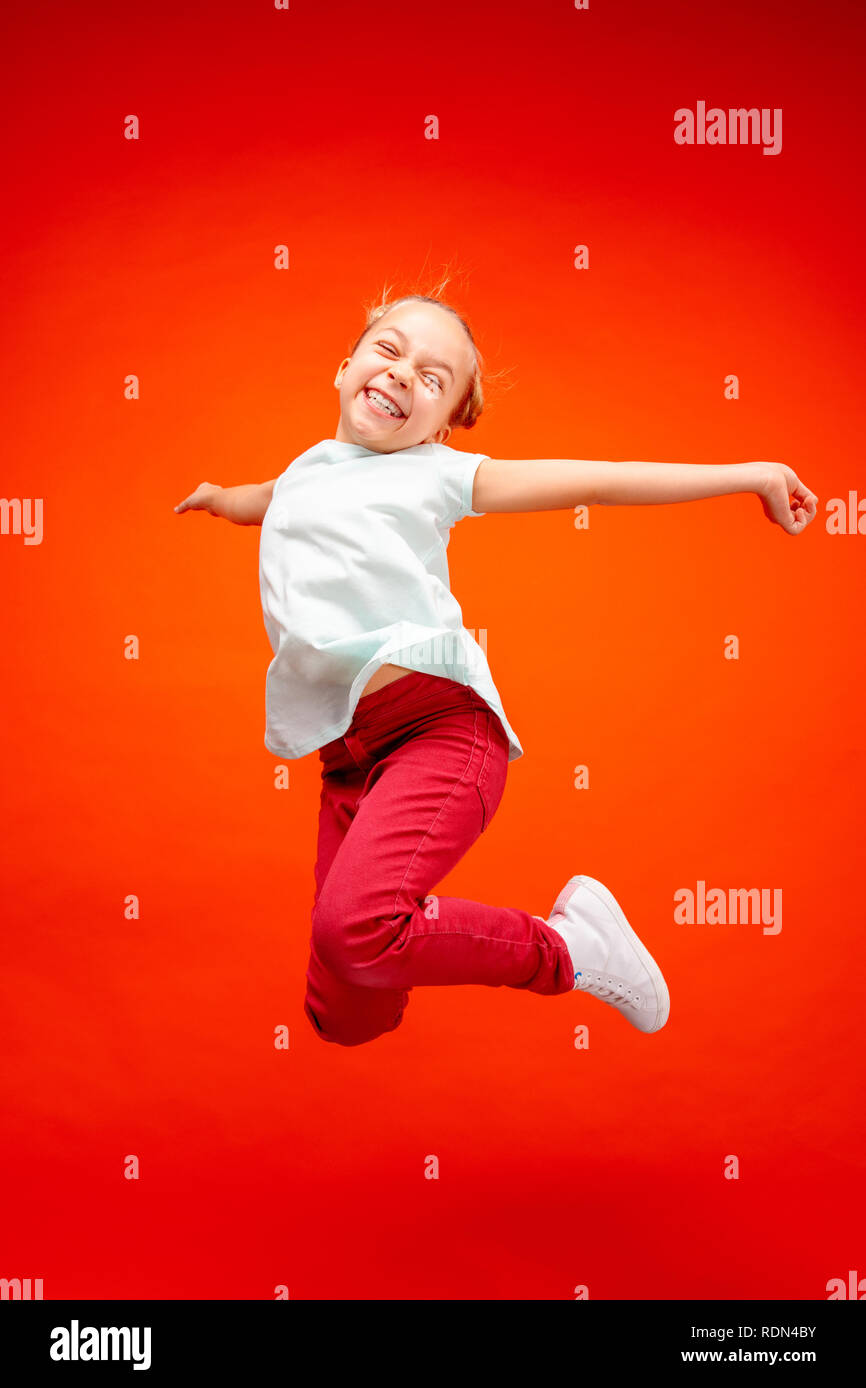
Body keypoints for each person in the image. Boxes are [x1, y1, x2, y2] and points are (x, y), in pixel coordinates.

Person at [174, 286, 818, 1047]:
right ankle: (395, 935)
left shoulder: (433, 475)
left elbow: (598, 480)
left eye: (434, 377)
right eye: (390, 350)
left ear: (440, 430)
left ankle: (571, 947)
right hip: (348, 755)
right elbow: (268, 501)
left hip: (438, 732)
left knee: (355, 932)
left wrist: (750, 473)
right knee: (346, 1014)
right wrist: (221, 498)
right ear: (345, 368)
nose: (404, 374)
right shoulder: (308, 472)